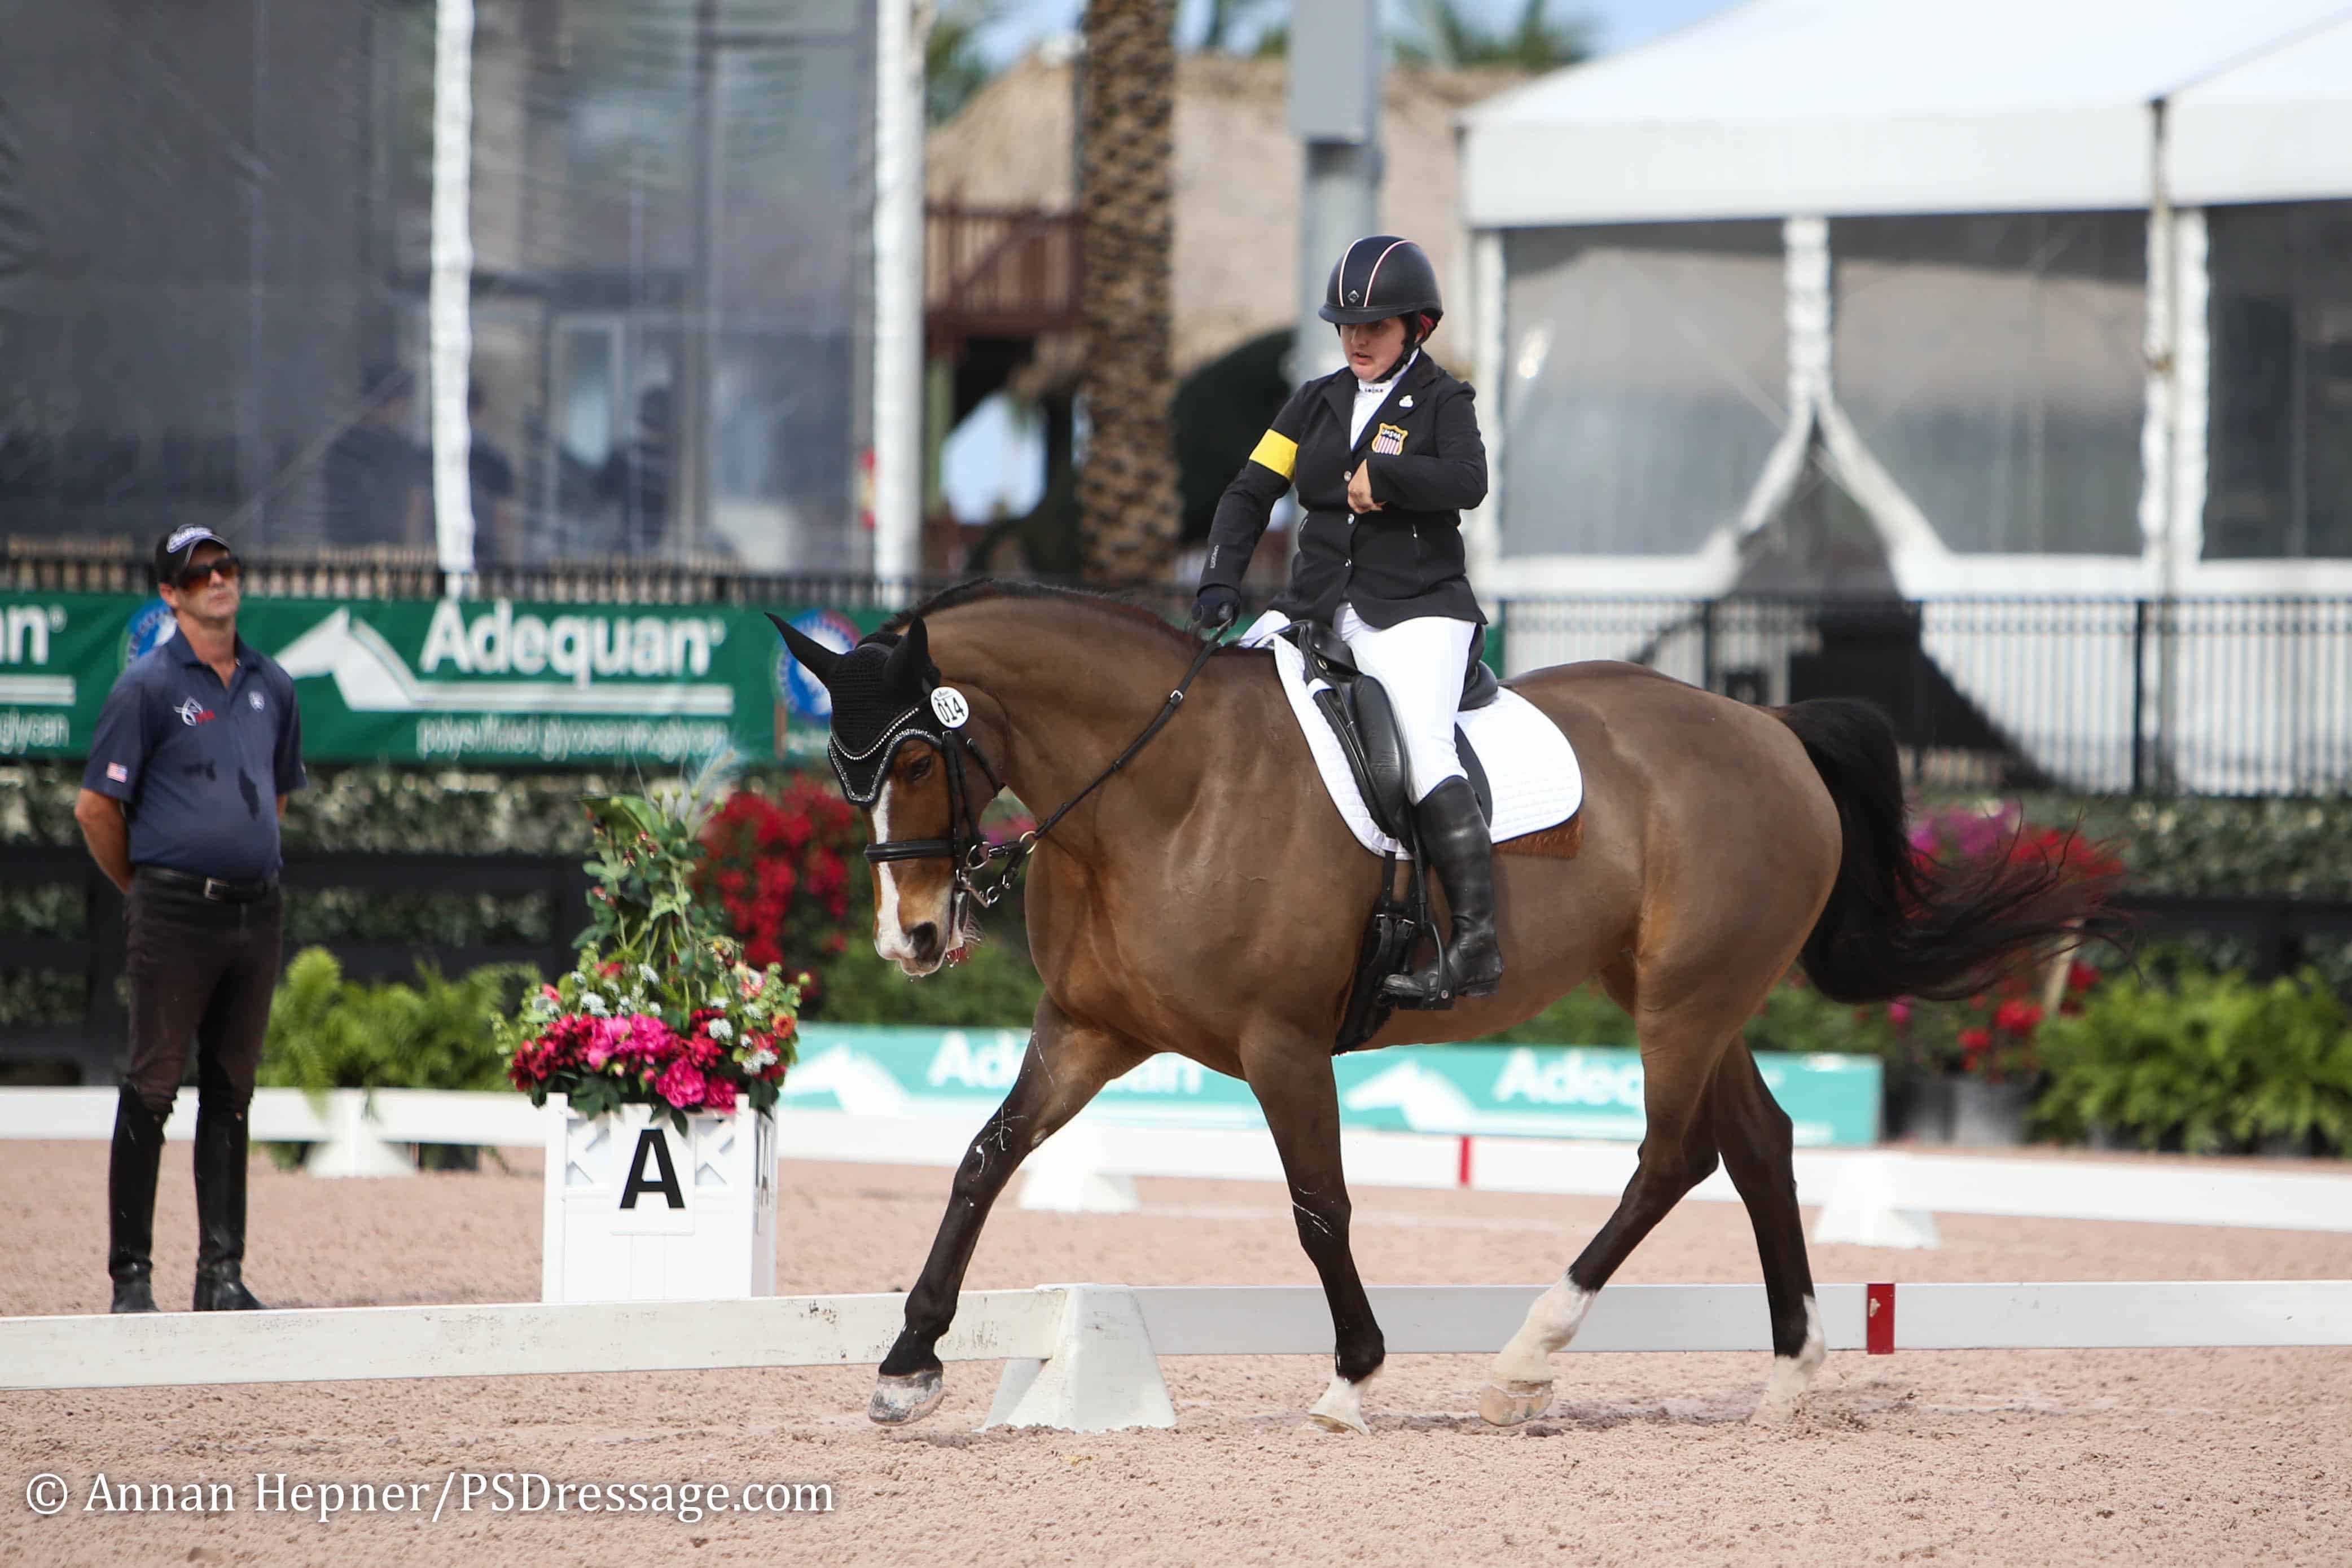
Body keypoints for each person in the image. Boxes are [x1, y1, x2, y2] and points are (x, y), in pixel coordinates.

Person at [1191, 235, 1500, 1004]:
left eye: (1377, 326)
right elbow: (1250, 490)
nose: (1358, 339)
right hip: (1315, 607)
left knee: (1426, 751)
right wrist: (1221, 580)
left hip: (1416, 611)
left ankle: (1474, 941)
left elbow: (1470, 481)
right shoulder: (1313, 402)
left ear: (1416, 326)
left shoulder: (1442, 401)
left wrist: (1387, 477)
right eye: (1348, 326)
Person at [75, 526, 306, 1313]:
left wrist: (242, 852)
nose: (218, 580)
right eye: (198, 573)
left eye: (226, 566)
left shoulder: (273, 684)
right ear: (170, 594)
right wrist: (143, 884)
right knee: (152, 1084)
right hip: (175, 905)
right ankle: (131, 1275)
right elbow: (95, 806)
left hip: (255, 906)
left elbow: (273, 798)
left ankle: (220, 1271)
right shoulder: (144, 686)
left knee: (232, 1087)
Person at [325, 363, 429, 550]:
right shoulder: (346, 447)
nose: (405, 410)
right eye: (403, 402)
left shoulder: (401, 448)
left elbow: (416, 504)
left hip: (384, 552)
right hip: (349, 550)